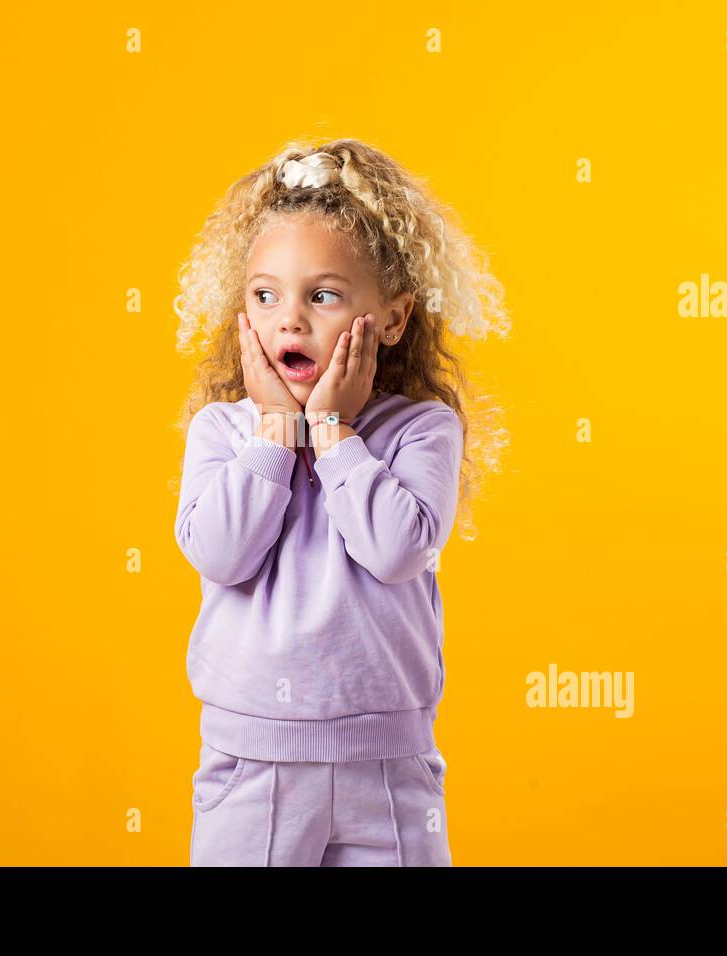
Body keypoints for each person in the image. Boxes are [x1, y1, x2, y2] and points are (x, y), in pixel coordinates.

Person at [172, 138, 508, 865]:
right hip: (251, 765)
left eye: (322, 295)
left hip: (385, 768)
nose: (289, 319)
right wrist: (273, 432)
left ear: (391, 318)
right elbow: (220, 553)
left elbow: (395, 548)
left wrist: (331, 431)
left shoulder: (420, 430)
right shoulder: (222, 432)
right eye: (266, 295)